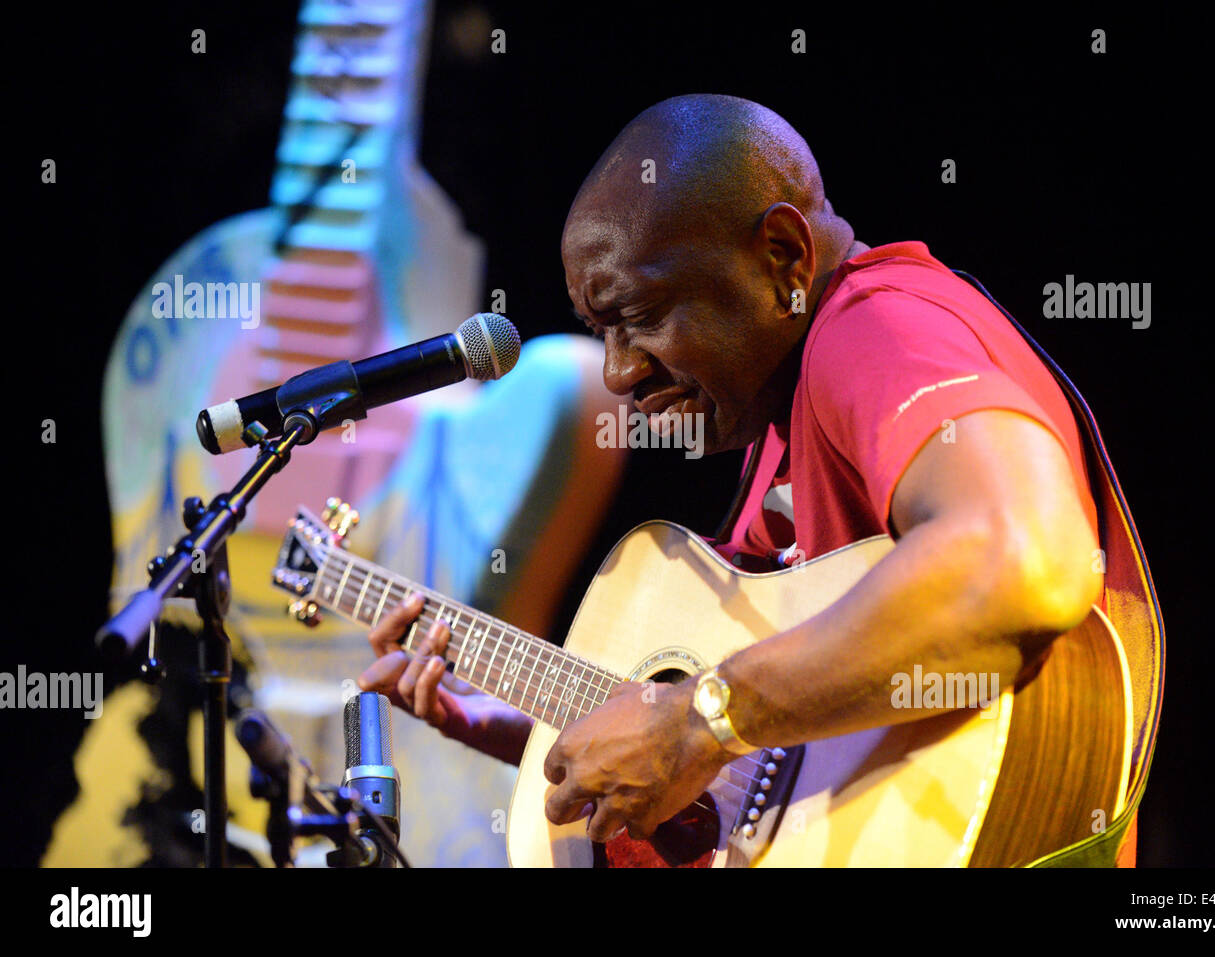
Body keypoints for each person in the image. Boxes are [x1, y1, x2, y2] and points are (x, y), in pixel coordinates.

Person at [359, 93, 1109, 852]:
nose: (618, 372)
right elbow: (781, 749)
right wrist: (542, 731)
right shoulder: (774, 408)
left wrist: (698, 721)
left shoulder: (876, 327)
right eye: (601, 332)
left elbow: (1021, 560)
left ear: (782, 255)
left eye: (641, 316)